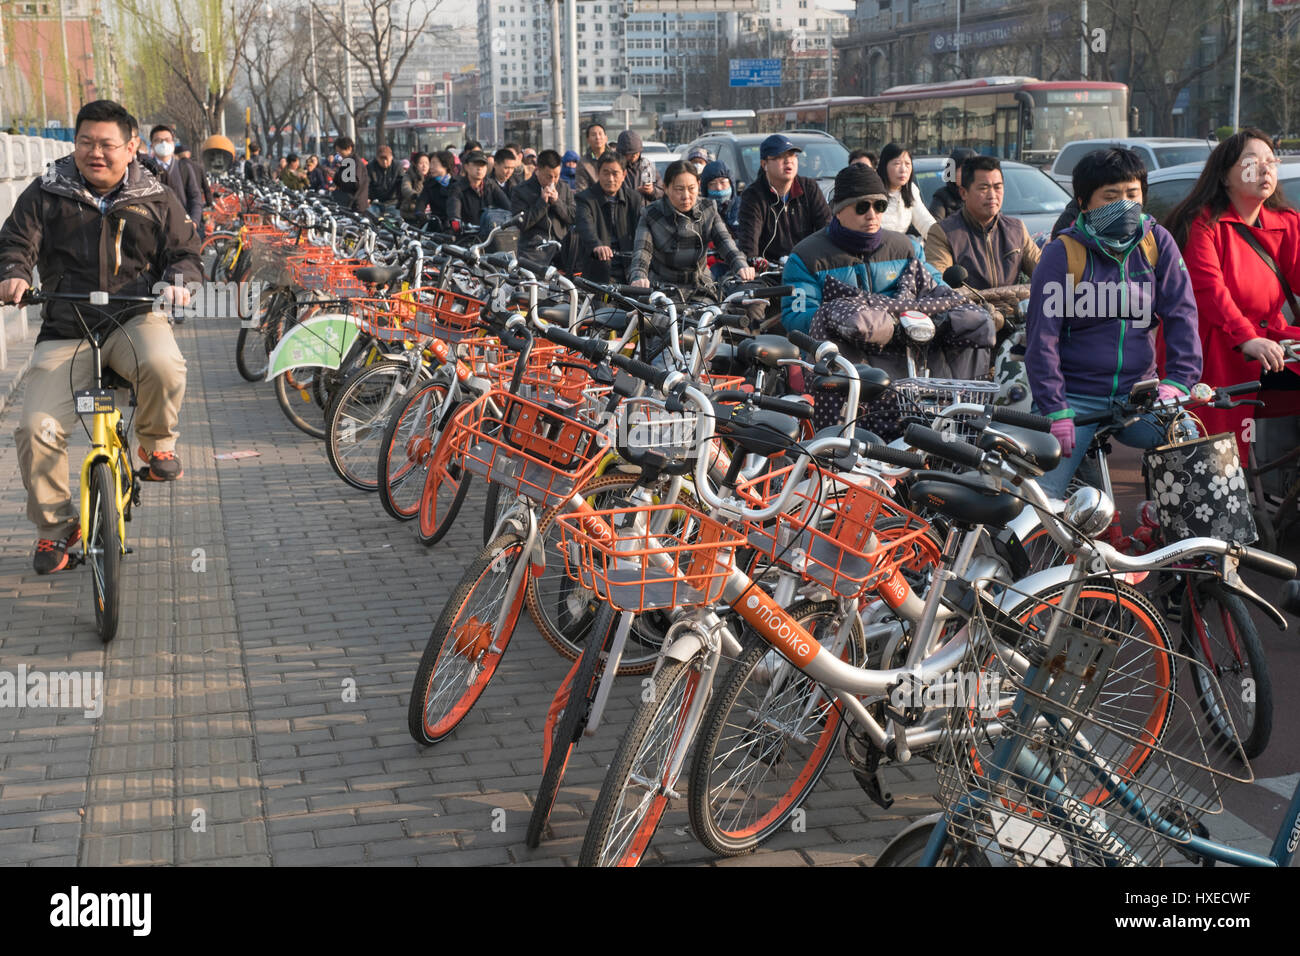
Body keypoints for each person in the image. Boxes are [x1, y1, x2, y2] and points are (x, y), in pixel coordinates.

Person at [0, 99, 199, 572]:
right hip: (66, 326)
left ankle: (154, 443)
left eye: (107, 144)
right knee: (35, 428)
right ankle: (56, 528)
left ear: (131, 147)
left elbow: (186, 252)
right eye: (86, 142)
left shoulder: (154, 195)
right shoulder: (47, 190)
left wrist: (180, 283)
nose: (96, 153)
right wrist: (13, 273)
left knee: (165, 364)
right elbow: (15, 242)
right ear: (76, 143)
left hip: (135, 317)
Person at [1025, 147, 1202, 498]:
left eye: (1132, 194)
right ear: (1084, 202)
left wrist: (1179, 382)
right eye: (1111, 196)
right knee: (1041, 502)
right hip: (1074, 399)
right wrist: (1055, 408)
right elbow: (1041, 339)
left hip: (1139, 395)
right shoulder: (1062, 254)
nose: (1124, 203)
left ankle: (1185, 548)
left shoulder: (1156, 242)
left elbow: (1182, 314)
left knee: (1193, 456)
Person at [1165, 128, 1300, 461]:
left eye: (1272, 161)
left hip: (1270, 339)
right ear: (1224, 176)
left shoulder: (1284, 222)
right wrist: (1246, 338)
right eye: (1252, 163)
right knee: (1215, 458)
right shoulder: (1202, 225)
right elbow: (1211, 292)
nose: (1266, 170)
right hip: (1214, 349)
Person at [782, 164, 947, 335]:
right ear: (838, 211)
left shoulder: (908, 249)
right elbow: (795, 317)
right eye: (862, 207)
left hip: (903, 353)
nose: (872, 214)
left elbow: (940, 291)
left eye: (880, 206)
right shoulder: (805, 257)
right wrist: (840, 318)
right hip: (837, 356)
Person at [629, 160, 754, 299]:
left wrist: (741, 266)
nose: (686, 196)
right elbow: (642, 252)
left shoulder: (708, 208)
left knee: (711, 317)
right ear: (666, 188)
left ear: (699, 186)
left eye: (691, 188)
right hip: (663, 288)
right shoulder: (650, 214)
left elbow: (725, 242)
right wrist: (639, 276)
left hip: (701, 286)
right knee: (660, 319)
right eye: (679, 189)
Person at [925, 155, 1040, 290]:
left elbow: (1044, 271)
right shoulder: (943, 233)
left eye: (997, 187)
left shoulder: (1016, 229)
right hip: (967, 309)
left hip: (1015, 308)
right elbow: (939, 284)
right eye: (983, 188)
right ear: (963, 193)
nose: (992, 195)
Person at [736, 133, 831, 266]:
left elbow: (827, 229)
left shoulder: (809, 188)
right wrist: (752, 262)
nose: (788, 161)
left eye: (792, 155)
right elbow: (748, 243)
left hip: (807, 266)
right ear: (764, 164)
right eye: (780, 157)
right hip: (770, 272)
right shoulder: (753, 196)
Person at [574, 150, 644, 283]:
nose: (610, 179)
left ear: (623, 175)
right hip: (599, 270)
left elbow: (643, 229)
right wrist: (597, 245)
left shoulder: (635, 198)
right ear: (598, 173)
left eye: (615, 173)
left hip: (629, 268)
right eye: (605, 173)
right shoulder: (585, 199)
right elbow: (584, 226)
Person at [512, 149, 576, 266]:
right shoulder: (521, 191)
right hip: (533, 250)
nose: (552, 181)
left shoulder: (564, 188)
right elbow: (522, 223)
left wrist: (557, 202)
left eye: (556, 176)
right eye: (548, 177)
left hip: (562, 247)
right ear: (537, 171)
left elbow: (573, 217)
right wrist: (542, 203)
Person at [148, 125, 204, 239]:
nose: (163, 144)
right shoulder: (145, 169)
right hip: (154, 233)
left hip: (182, 231)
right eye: (158, 140)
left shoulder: (184, 168)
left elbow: (195, 197)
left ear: (173, 143)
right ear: (152, 145)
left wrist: (194, 221)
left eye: (167, 140)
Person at [878, 142, 937, 238]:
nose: (903, 169)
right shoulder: (873, 190)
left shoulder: (911, 190)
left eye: (907, 164)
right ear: (884, 166)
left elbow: (924, 221)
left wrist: (942, 240)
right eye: (897, 163)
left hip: (899, 248)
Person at [446, 149, 510, 228]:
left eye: (482, 165)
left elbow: (508, 206)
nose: (479, 168)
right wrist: (456, 223)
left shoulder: (491, 185)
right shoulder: (457, 188)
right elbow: (454, 212)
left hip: (489, 233)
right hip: (467, 235)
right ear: (466, 167)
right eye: (475, 164)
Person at [927, 147, 976, 221]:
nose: (969, 175)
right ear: (953, 172)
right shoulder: (942, 198)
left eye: (973, 170)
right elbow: (934, 228)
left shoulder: (981, 196)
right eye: (964, 170)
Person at [415, 150, 457, 227]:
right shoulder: (429, 184)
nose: (431, 167)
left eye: (434, 164)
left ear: (445, 165)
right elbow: (421, 202)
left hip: (454, 226)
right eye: (430, 163)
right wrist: (419, 213)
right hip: (436, 225)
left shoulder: (457, 184)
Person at [617, 130, 662, 200]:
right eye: (630, 153)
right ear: (622, 152)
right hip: (624, 209)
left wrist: (652, 191)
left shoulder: (647, 165)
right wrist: (634, 193)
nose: (634, 156)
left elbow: (662, 192)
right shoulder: (616, 167)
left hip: (646, 209)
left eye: (636, 153)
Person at [700, 159, 738, 235]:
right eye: (712, 184)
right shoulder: (700, 213)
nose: (718, 187)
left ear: (731, 184)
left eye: (723, 182)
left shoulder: (745, 207)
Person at [331, 136, 369, 212]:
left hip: (354, 204)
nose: (339, 154)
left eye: (341, 151)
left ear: (349, 148)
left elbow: (354, 184)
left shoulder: (352, 162)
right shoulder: (349, 161)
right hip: (352, 203)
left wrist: (337, 177)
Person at [175, 143, 212, 208]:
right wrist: (209, 203)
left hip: (180, 204)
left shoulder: (175, 167)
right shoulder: (198, 167)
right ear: (189, 154)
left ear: (177, 155)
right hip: (196, 203)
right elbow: (206, 188)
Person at [576, 122, 609, 192]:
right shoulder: (583, 163)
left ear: (606, 138)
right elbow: (582, 190)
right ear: (588, 140)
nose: (597, 137)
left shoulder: (616, 158)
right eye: (593, 135)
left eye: (600, 134)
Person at [367, 145, 401, 210]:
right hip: (375, 203)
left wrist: (400, 201)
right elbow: (366, 184)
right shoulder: (370, 167)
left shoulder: (397, 167)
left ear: (391, 157)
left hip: (393, 202)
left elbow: (401, 184)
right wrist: (367, 197)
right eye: (381, 159)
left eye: (386, 159)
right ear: (377, 158)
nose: (384, 162)